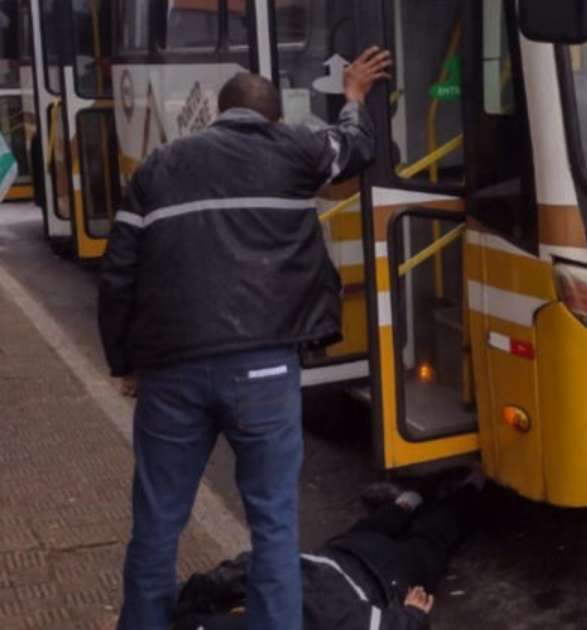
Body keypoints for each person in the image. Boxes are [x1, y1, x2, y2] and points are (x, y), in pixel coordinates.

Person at [98, 48, 393, 630]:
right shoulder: (295, 149)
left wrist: (124, 362)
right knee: (274, 525)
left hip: (171, 373)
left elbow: (118, 273)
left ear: (218, 114)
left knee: (156, 525)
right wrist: (354, 96)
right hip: (263, 370)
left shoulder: (158, 165)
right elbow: (357, 146)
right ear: (273, 119)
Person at [171, 472, 484, 630]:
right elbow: (228, 577)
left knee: (429, 541)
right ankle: (407, 503)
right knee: (374, 528)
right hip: (336, 555)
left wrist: (412, 615)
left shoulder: (316, 618)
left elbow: (374, 625)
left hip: (383, 577)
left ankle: (468, 491)